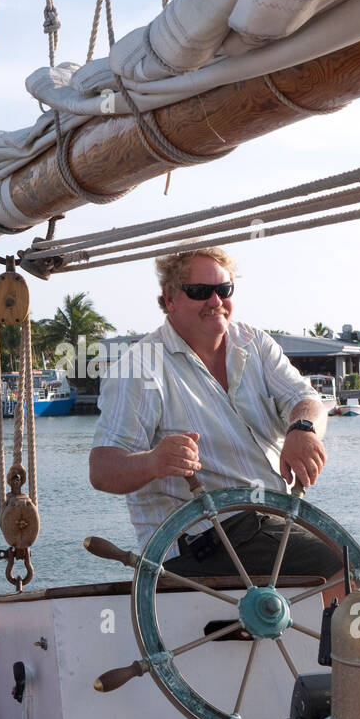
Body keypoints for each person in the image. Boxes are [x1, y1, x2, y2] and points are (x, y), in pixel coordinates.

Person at [89, 247, 336, 579]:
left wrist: (303, 429)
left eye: (224, 289)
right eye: (200, 292)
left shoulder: (254, 343)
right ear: (170, 299)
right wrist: (153, 462)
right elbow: (102, 469)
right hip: (202, 543)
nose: (216, 301)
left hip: (271, 523)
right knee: (343, 565)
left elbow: (306, 400)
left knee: (338, 563)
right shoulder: (140, 368)